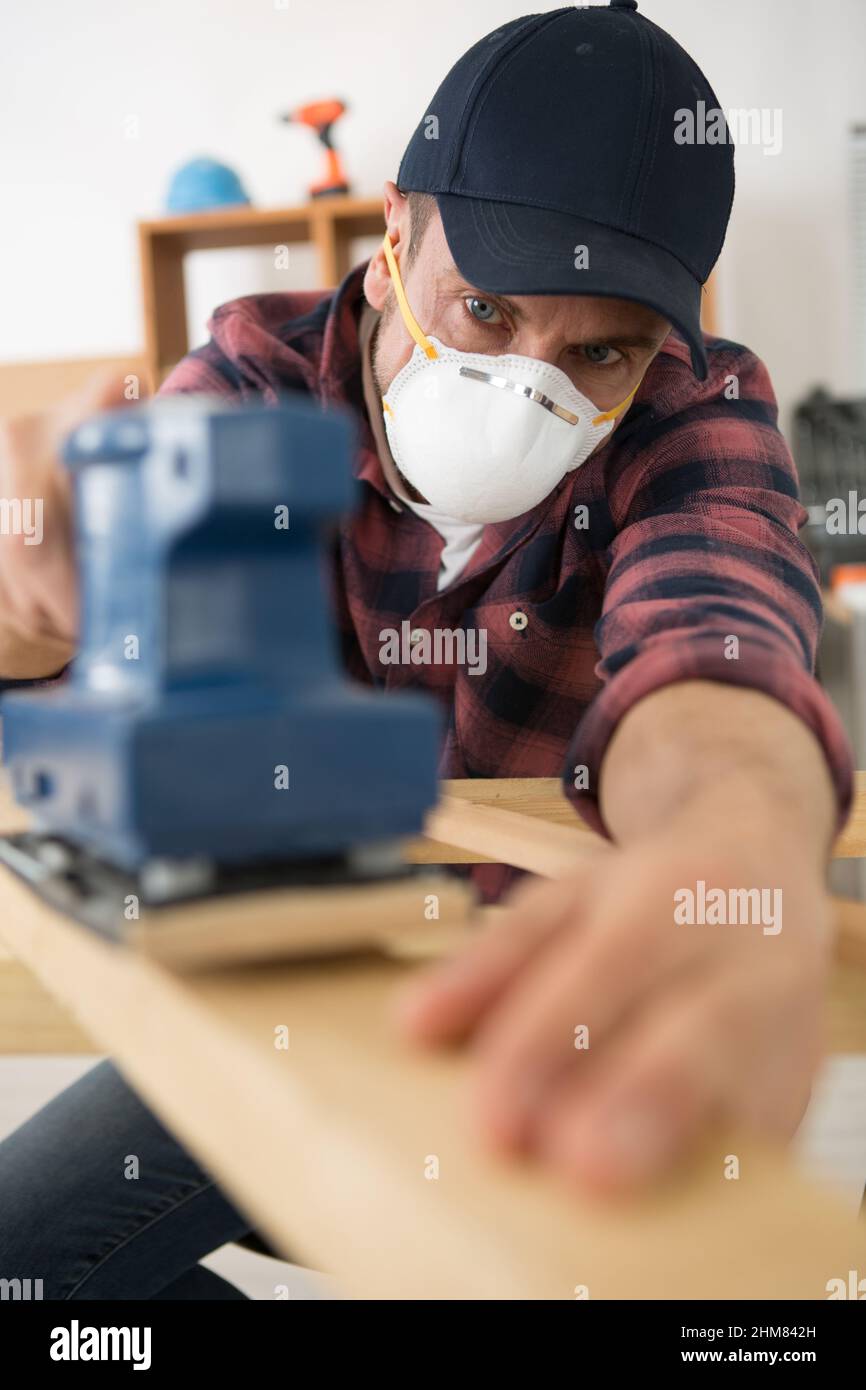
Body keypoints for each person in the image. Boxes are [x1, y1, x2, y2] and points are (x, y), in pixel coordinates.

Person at [0, 1, 852, 1298]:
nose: (528, 381)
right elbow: (115, 618)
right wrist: (39, 610)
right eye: (488, 309)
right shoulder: (252, 380)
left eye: (598, 350)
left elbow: (717, 642)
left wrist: (730, 847)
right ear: (396, 230)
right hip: (295, 987)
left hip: (557, 990)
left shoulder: (693, 408)